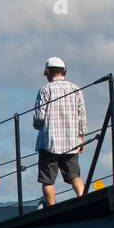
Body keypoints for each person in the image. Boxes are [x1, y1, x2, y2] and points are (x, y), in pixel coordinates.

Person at [32, 57, 87, 208]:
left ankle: (51, 207)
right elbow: (81, 115)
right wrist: (81, 137)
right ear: (64, 72)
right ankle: (83, 202)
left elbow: (39, 117)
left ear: (48, 72)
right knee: (74, 176)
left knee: (47, 180)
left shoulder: (45, 90)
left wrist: (37, 126)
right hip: (71, 141)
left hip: (49, 141)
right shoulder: (76, 89)